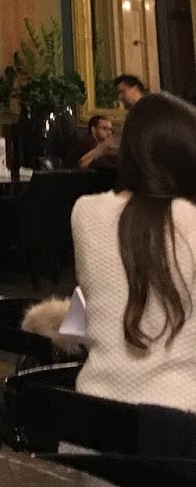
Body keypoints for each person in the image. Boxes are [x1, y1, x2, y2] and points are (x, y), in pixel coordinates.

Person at [71, 91, 196, 408]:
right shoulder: (191, 219)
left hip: (93, 424)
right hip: (180, 432)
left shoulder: (84, 213)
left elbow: (76, 322)